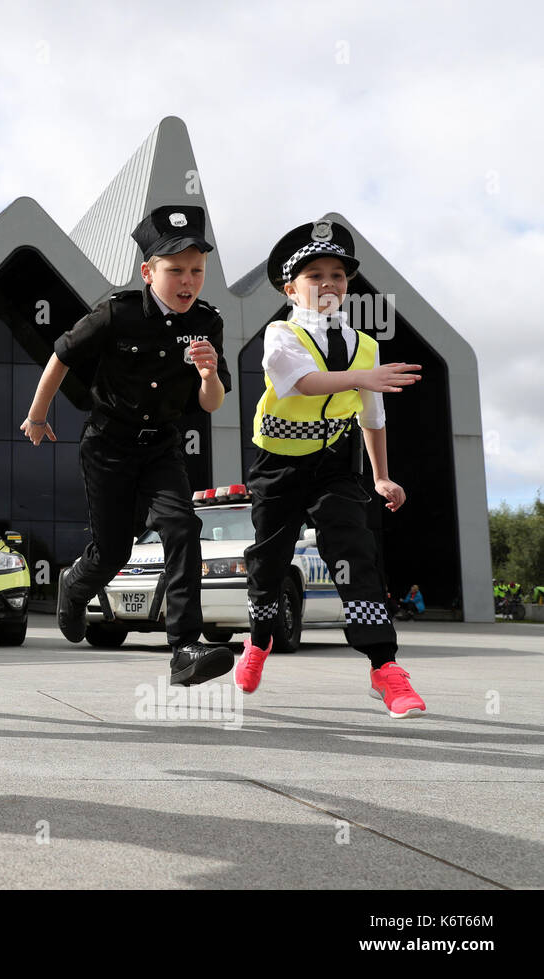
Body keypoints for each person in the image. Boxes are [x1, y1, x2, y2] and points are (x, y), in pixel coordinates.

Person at [23, 205, 233, 686]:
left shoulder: (207, 322)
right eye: (175, 270)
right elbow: (60, 357)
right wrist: (37, 415)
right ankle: (74, 588)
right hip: (108, 445)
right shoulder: (115, 312)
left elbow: (213, 401)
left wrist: (208, 372)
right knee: (114, 552)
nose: (188, 281)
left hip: (161, 446)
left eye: (196, 271)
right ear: (148, 271)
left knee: (182, 527)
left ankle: (183, 646)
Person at [234, 220, 426, 718]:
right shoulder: (281, 333)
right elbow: (302, 382)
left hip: (335, 464)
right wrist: (364, 377)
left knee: (354, 548)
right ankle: (258, 642)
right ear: (290, 287)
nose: (328, 283)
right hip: (278, 464)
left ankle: (384, 667)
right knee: (270, 561)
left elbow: (372, 415)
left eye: (338, 274)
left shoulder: (366, 345)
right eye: (314, 274)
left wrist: (381, 475)